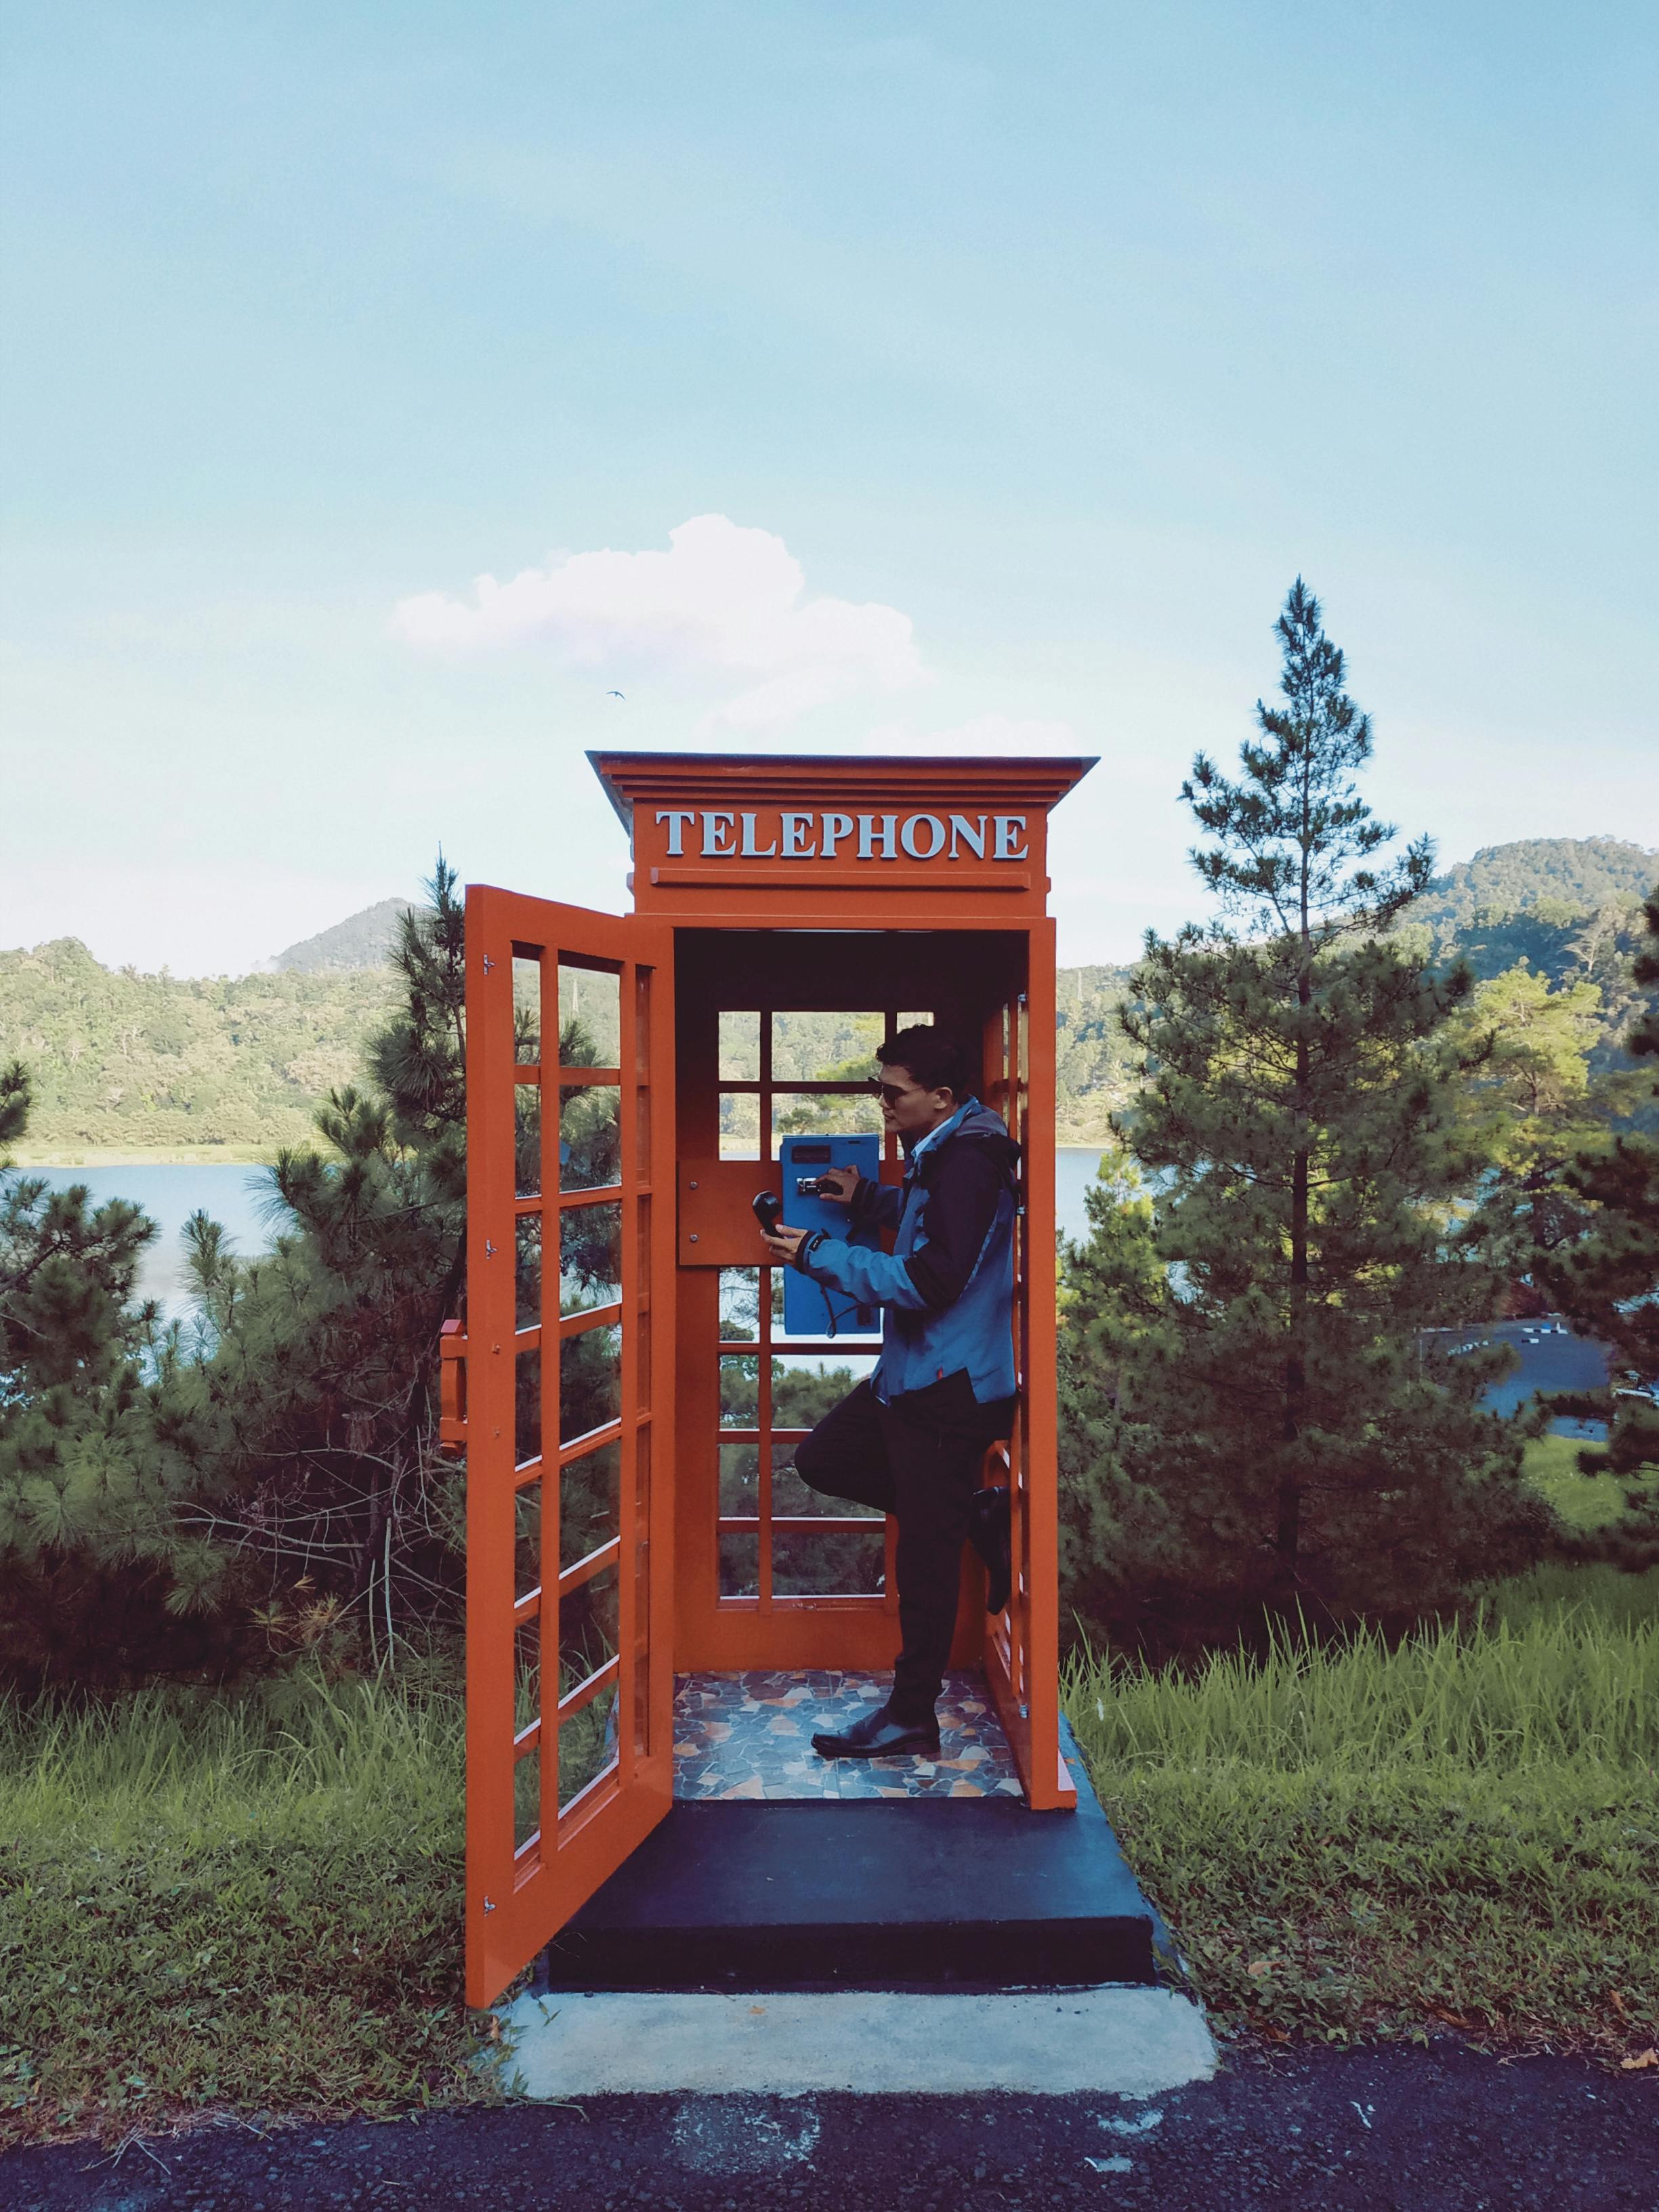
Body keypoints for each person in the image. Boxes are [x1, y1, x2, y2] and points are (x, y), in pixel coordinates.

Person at [759, 1025, 1017, 1758]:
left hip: (948, 1388)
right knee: (824, 1458)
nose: (882, 1106)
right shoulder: (948, 1149)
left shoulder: (968, 1160)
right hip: (914, 1376)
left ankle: (912, 1715)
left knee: (924, 1567)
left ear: (939, 1098)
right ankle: (969, 1513)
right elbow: (933, 1222)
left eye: (891, 1093)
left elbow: (931, 1278)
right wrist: (871, 1196)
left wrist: (817, 1253)